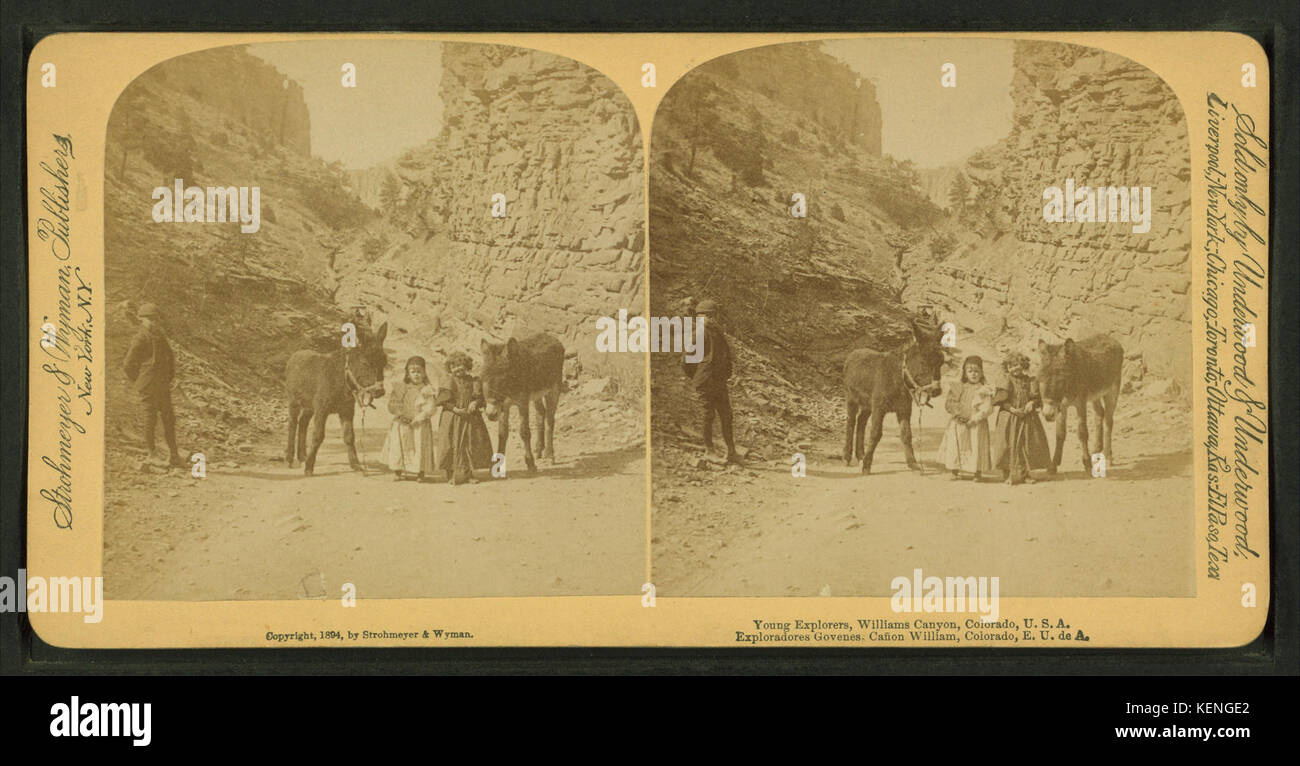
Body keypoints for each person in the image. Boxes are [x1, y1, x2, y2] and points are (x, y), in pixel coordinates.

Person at [123, 302, 186, 467]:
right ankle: (152, 454)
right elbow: (128, 365)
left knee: (169, 419)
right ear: (141, 319)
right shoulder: (140, 337)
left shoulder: (160, 337)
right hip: (148, 386)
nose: (153, 322)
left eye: (155, 318)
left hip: (162, 385)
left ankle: (174, 456)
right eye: (149, 319)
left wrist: (169, 378)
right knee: (150, 419)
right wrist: (140, 381)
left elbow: (169, 359)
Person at [683, 298, 741, 464]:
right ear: (703, 316)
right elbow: (687, 361)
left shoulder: (716, 332)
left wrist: (723, 374)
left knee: (726, 415)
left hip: (719, 381)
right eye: (712, 316)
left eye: (715, 316)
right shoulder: (699, 333)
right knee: (707, 415)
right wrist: (699, 377)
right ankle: (709, 450)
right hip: (706, 381)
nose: (715, 319)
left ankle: (731, 452)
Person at [992, 351, 1053, 484]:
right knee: (1007, 444)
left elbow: (1036, 398)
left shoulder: (1030, 381)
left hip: (1027, 417)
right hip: (1009, 416)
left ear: (1023, 365)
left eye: (1018, 365)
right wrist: (1012, 409)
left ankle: (1026, 474)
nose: (1015, 368)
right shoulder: (1005, 380)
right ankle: (1008, 474)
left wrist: (1032, 403)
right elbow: (1002, 400)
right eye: (1011, 365)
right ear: (1007, 367)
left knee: (1027, 444)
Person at [435, 351, 494, 485]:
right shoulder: (448, 381)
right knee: (450, 444)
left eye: (461, 366)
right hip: (451, 418)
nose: (458, 369)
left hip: (470, 418)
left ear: (467, 367)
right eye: (454, 366)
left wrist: (475, 402)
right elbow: (443, 401)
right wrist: (454, 408)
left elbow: (480, 397)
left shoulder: (473, 381)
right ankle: (450, 475)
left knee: (470, 444)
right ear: (450, 367)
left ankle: (469, 474)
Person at [937, 355, 995, 481]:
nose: (973, 374)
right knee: (957, 444)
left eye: (976, 371)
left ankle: (977, 472)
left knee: (976, 445)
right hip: (960, 422)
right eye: (970, 371)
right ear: (965, 373)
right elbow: (950, 403)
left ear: (981, 373)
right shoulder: (959, 387)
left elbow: (987, 408)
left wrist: (975, 419)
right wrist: (957, 414)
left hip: (976, 424)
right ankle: (954, 469)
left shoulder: (984, 389)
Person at [380, 356, 438, 481]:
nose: (416, 375)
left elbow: (430, 407)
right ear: (408, 373)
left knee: (419, 446)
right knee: (399, 445)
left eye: (419, 372)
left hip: (419, 423)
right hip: (402, 421)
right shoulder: (401, 388)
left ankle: (420, 472)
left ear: (424, 373)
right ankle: (398, 471)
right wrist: (400, 414)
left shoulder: (427, 390)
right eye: (413, 371)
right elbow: (393, 404)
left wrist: (420, 417)